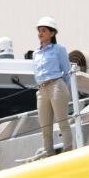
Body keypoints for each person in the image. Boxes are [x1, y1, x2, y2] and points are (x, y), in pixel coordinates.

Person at [32, 16, 71, 157]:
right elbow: (36, 74)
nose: (40, 33)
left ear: (52, 33)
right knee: (45, 127)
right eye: (39, 31)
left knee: (62, 122)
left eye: (43, 30)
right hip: (41, 90)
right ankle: (48, 154)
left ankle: (68, 152)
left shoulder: (59, 49)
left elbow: (67, 72)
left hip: (56, 86)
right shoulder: (35, 53)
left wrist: (61, 88)